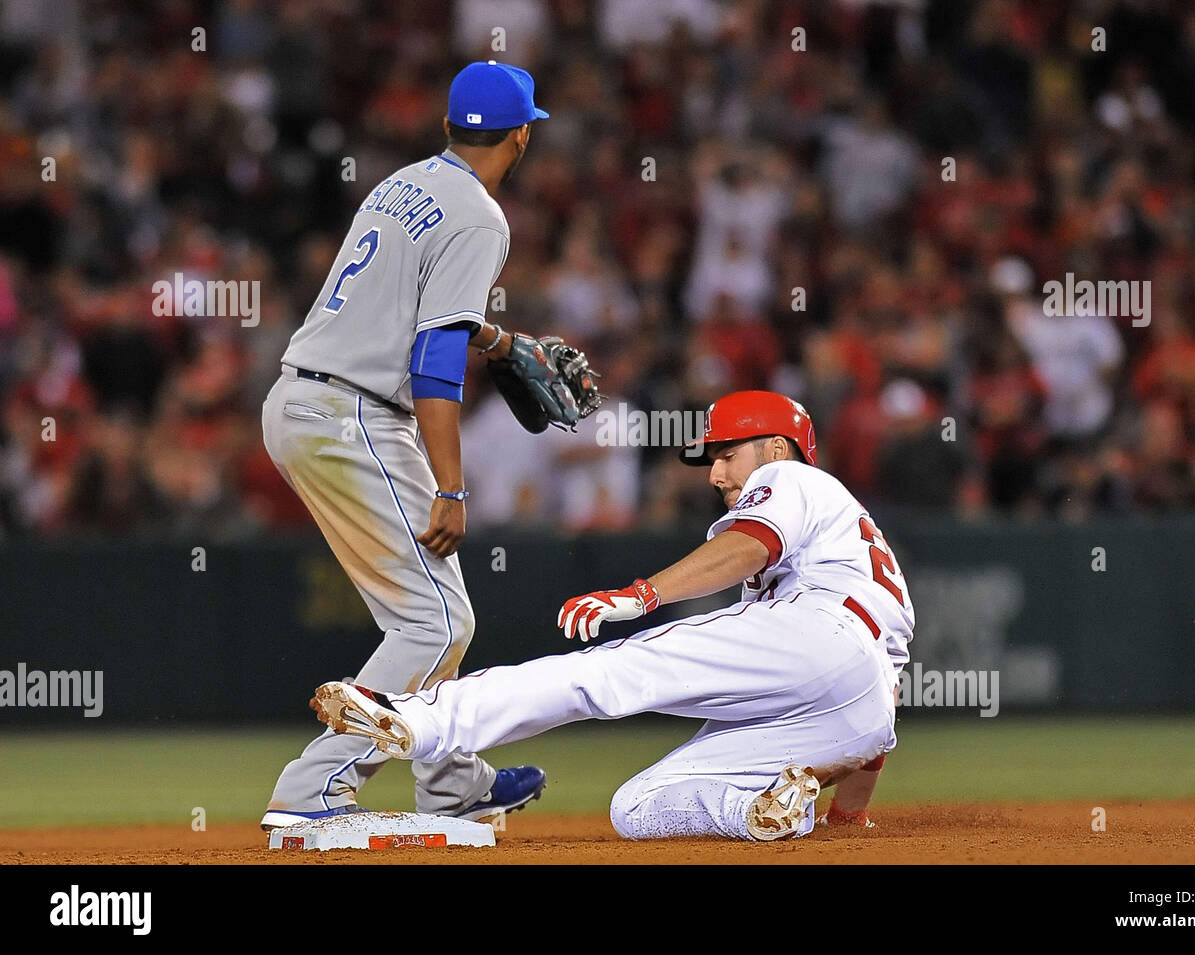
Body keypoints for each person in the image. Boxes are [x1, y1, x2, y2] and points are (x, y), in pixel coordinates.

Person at [311, 391, 915, 840]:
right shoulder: (859, 550)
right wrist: (848, 817)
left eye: (727, 453)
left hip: (819, 635)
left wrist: (640, 595)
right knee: (639, 808)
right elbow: (875, 713)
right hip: (857, 712)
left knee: (602, 672)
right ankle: (761, 814)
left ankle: (419, 717)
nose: (716, 473)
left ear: (777, 447)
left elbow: (750, 545)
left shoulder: (792, 476)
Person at [259, 61, 556, 830]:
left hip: (307, 399)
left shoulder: (400, 182)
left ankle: (453, 780)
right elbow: (431, 359)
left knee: (435, 611)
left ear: (451, 126)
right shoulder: (483, 217)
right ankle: (313, 785)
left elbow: (403, 306)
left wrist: (493, 337)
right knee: (435, 623)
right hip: (352, 413)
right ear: (521, 135)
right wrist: (452, 487)